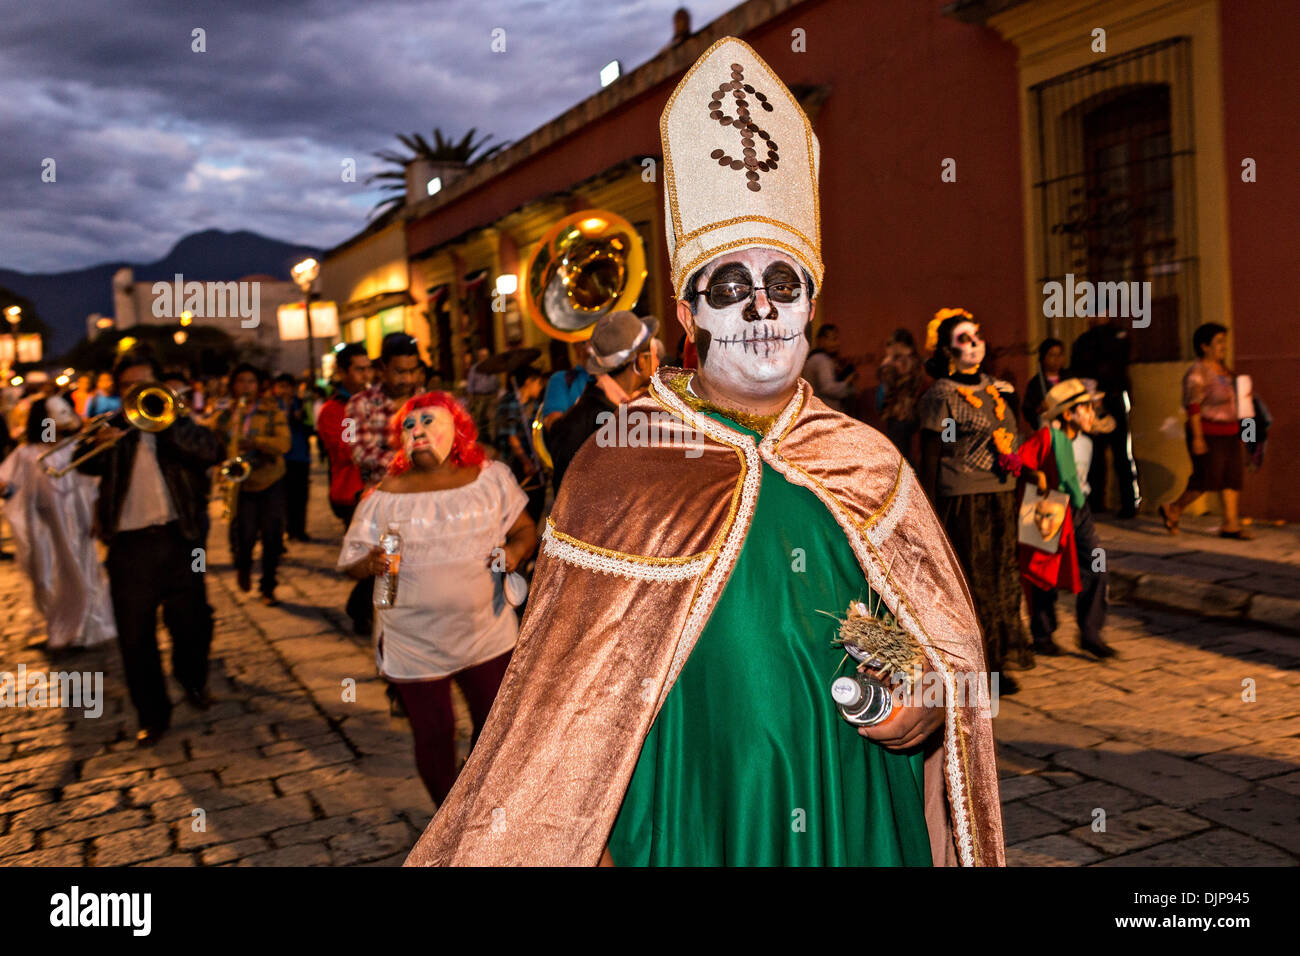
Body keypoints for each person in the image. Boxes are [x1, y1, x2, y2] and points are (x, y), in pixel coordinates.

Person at [406, 37, 1003, 868]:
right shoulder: (619, 468)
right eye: (729, 285)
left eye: (784, 283)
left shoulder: (867, 460)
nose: (760, 305)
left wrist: (927, 701)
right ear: (688, 317)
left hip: (857, 809)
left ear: (808, 307)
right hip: (693, 814)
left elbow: (947, 653)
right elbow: (565, 709)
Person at [338, 392, 536, 805]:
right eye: (409, 425)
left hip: (487, 632)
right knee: (433, 733)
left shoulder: (490, 478)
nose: (418, 430)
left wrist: (513, 554)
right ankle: (446, 817)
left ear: (457, 429)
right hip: (413, 641)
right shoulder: (382, 497)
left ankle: (484, 806)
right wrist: (370, 562)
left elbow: (524, 531)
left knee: (497, 727)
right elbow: (352, 561)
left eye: (429, 421)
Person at [74, 351, 226, 746]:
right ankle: (152, 714)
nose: (137, 391)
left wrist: (165, 426)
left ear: (159, 385)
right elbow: (80, 463)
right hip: (130, 545)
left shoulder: (181, 424)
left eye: (145, 383)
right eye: (128, 385)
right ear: (119, 389)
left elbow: (210, 452)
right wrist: (105, 442)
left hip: (182, 539)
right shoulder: (109, 426)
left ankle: (192, 680)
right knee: (135, 635)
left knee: (193, 622)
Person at [918, 308, 1030, 692]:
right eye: (964, 339)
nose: (974, 344)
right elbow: (934, 452)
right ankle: (977, 669)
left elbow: (1016, 439)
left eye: (977, 335)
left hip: (1002, 494)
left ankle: (999, 660)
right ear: (947, 350)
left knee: (1001, 578)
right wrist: (928, 508)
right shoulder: (942, 395)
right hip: (963, 496)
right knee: (974, 581)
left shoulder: (1000, 390)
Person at [0, 395, 116, 653]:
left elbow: (93, 485)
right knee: (46, 576)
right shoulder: (26, 453)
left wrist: (97, 516)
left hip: (78, 520)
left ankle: (82, 629)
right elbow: (7, 482)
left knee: (81, 570)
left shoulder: (76, 448)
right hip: (43, 526)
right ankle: (59, 628)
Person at [1011, 379, 1114, 658]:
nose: (1092, 414)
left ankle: (1090, 632)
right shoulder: (1046, 437)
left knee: (1097, 564)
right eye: (1086, 408)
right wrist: (1037, 475)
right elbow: (1017, 461)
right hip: (1046, 506)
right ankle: (1043, 635)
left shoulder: (1086, 441)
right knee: (1041, 573)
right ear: (1068, 414)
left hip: (1079, 511)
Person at [343, 333, 422, 638]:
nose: (408, 378)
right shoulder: (360, 405)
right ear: (383, 368)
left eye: (413, 370)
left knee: (421, 586)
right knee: (387, 587)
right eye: (400, 371)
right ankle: (390, 659)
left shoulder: (426, 400)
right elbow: (360, 453)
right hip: (384, 510)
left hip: (427, 507)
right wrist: (415, 460)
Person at [549, 311, 660, 491]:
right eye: (652, 353)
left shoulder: (599, 409)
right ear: (640, 362)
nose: (657, 361)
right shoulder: (600, 423)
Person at [1159, 323, 1251, 539]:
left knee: (1232, 478)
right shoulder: (1197, 373)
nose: (1224, 346)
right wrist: (1198, 438)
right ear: (1204, 346)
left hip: (1230, 432)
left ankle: (1230, 524)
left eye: (1224, 341)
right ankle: (1174, 508)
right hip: (1207, 432)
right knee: (1207, 478)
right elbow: (1193, 406)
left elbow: (1241, 403)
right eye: (1218, 342)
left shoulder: (1227, 372)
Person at [213, 364, 290, 606]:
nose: (246, 387)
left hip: (269, 480)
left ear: (259, 385)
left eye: (251, 382)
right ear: (233, 385)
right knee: (243, 536)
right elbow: (214, 446)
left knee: (272, 537)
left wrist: (255, 442)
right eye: (241, 381)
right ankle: (242, 566)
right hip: (240, 484)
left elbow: (283, 444)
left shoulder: (271, 411)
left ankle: (268, 587)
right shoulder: (224, 415)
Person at [1070, 315, 1140, 518]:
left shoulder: (1115, 336)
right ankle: (1100, 501)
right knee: (1097, 454)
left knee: (1118, 454)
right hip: (1095, 400)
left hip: (1112, 398)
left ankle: (1124, 503)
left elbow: (1117, 364)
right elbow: (1081, 370)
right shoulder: (1087, 340)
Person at [316, 344, 369, 530]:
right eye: (359, 369)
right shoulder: (334, 410)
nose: (366, 375)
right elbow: (347, 450)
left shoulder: (377, 401)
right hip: (353, 492)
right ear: (342, 372)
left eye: (368, 368)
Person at [493, 365, 547, 522]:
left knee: (537, 502)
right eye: (538, 383)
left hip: (534, 462)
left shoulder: (535, 405)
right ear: (529, 381)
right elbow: (511, 436)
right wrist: (525, 461)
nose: (540, 387)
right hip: (515, 463)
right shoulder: (508, 402)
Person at [273, 373, 313, 542]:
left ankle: (300, 529)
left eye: (287, 386)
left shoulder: (302, 404)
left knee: (300, 495)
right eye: (281, 386)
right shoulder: (272, 407)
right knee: (282, 497)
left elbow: (312, 427)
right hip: (280, 458)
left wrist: (302, 419)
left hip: (300, 456)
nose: (284, 390)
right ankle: (285, 530)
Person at [877, 328, 923, 462]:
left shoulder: (904, 361)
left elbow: (888, 378)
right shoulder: (915, 360)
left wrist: (888, 360)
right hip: (908, 412)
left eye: (891, 343)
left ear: (901, 344)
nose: (889, 347)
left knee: (899, 452)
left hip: (901, 413)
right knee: (904, 450)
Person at [801, 323, 856, 413]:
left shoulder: (813, 358)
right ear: (821, 341)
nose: (838, 343)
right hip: (827, 411)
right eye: (833, 339)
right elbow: (828, 388)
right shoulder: (822, 360)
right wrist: (848, 383)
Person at [539, 342, 593, 431]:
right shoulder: (561, 379)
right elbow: (554, 428)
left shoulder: (617, 375)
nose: (590, 346)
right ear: (576, 348)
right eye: (583, 342)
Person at [1022, 338, 1066, 430]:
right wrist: (1039, 409)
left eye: (1059, 354)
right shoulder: (1035, 384)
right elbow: (1027, 411)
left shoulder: (1068, 379)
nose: (1057, 359)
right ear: (1043, 358)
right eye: (1052, 355)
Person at [464, 346, 499, 440]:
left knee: (492, 419)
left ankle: (492, 439)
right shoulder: (475, 369)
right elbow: (470, 386)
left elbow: (497, 383)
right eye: (482, 356)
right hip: (479, 397)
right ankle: (479, 439)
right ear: (479, 357)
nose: (484, 357)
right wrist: (470, 401)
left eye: (485, 355)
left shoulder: (493, 367)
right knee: (479, 419)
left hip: (491, 396)